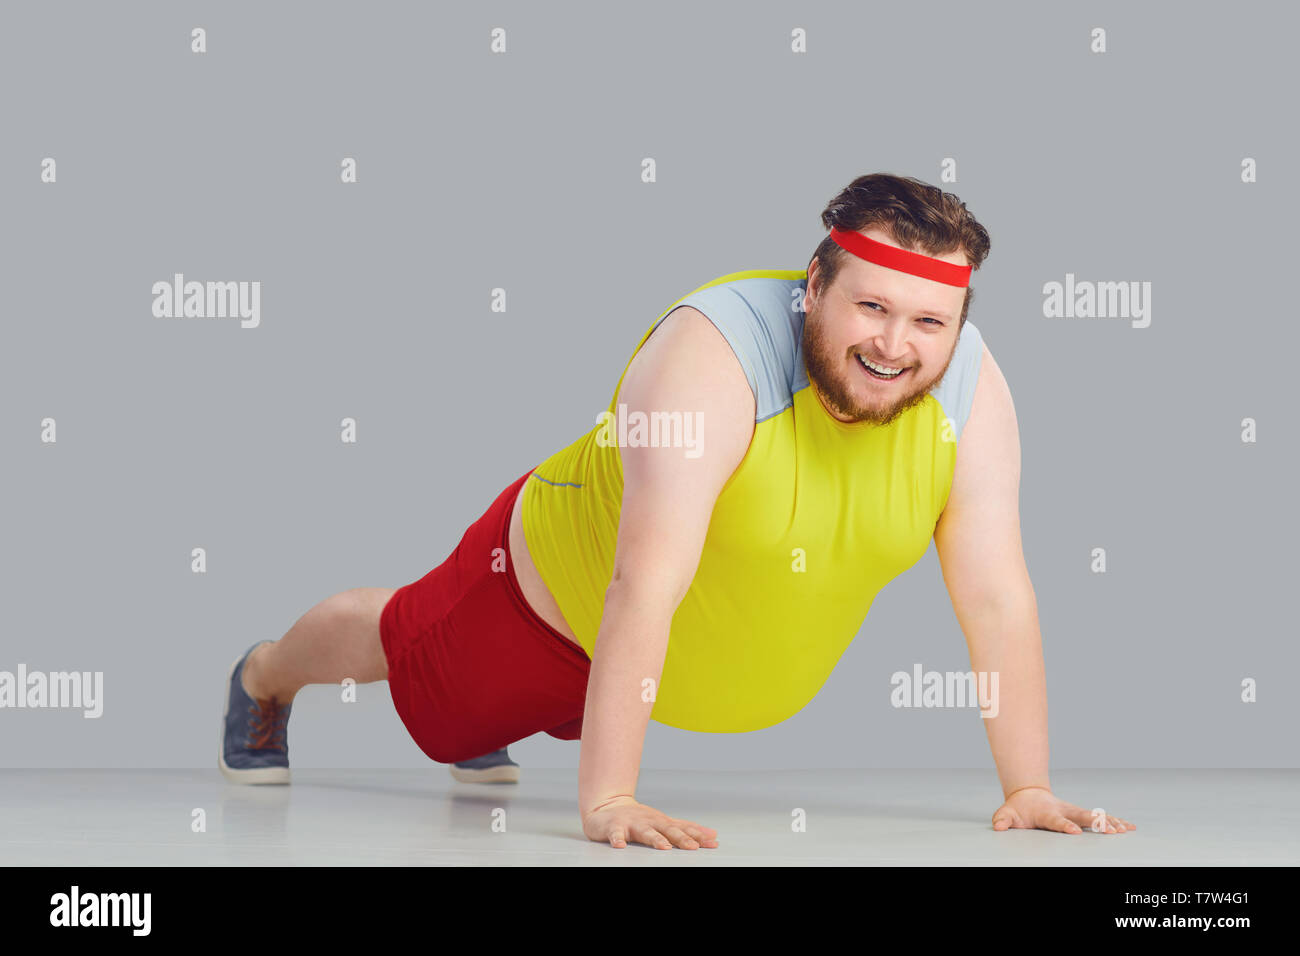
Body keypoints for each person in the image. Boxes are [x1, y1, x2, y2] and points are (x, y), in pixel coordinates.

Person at [218, 172, 1136, 850]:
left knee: (494, 724)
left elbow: (995, 598)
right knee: (403, 648)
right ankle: (263, 678)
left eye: (930, 324)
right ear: (812, 286)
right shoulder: (710, 360)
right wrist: (610, 800)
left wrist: (1029, 784)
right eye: (872, 307)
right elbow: (642, 586)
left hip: (663, 667)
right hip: (546, 614)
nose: (895, 346)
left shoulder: (970, 393)